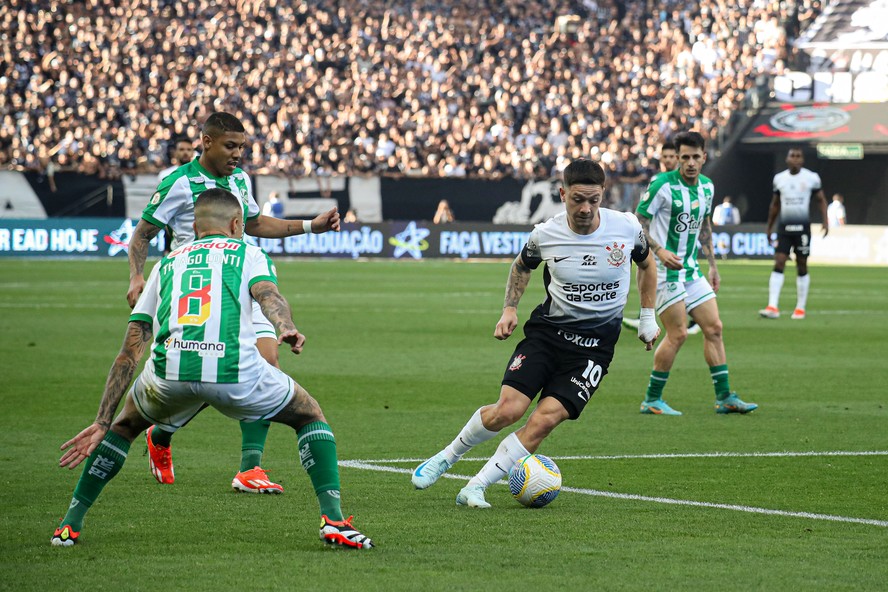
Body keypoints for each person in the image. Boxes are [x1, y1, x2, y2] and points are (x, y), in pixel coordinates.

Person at [51, 189, 372, 549]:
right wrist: (285, 326)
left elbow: (130, 349)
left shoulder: (167, 263)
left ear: (194, 225)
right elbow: (268, 294)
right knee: (309, 415)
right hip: (234, 375)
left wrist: (102, 420)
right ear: (237, 224)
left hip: (168, 377)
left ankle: (68, 526)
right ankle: (334, 521)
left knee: (123, 428)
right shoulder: (249, 253)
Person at [410, 159, 660, 508]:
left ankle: (475, 486)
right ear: (562, 194)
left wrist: (647, 315)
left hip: (593, 350)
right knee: (508, 411)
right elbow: (521, 267)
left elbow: (647, 264)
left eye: (593, 199)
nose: (586, 208)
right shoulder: (546, 233)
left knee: (544, 421)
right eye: (577, 199)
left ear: (604, 194)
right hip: (548, 336)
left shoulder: (626, 228)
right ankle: (446, 456)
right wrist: (509, 308)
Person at [126, 112, 341, 493]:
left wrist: (311, 226)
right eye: (231, 146)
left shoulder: (240, 180)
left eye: (242, 146)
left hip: (240, 281)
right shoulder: (176, 183)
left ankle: (250, 468)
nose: (238, 153)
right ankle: (161, 433)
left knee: (266, 361)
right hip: (197, 294)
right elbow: (143, 234)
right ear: (206, 141)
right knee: (209, 371)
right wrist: (137, 277)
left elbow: (256, 225)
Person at [635, 131, 757, 416]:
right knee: (677, 334)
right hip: (664, 271)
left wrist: (713, 265)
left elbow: (704, 227)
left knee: (714, 328)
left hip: (691, 269)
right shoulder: (662, 185)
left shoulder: (707, 187)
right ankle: (652, 399)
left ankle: (725, 396)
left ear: (704, 156)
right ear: (677, 158)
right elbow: (638, 223)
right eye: (684, 157)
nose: (690, 162)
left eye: (695, 157)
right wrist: (659, 250)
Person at [623, 141, 702, 336]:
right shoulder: (659, 181)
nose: (668, 160)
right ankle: (646, 315)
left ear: (678, 158)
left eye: (671, 156)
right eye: (664, 157)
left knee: (677, 282)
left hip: (679, 244)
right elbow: (644, 215)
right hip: (659, 243)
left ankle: (691, 319)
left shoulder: (695, 183)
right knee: (647, 269)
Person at [759, 148, 829, 320]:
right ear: (787, 159)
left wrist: (825, 221)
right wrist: (769, 227)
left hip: (803, 227)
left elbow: (821, 199)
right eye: (792, 156)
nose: (795, 159)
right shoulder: (779, 179)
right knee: (780, 261)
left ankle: (800, 308)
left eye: (799, 156)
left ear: (802, 160)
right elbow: (775, 204)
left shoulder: (811, 178)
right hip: (784, 227)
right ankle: (772, 306)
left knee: (802, 264)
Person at [157, 136, 195, 255]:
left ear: (193, 152)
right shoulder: (165, 175)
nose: (185, 153)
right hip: (171, 223)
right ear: (175, 152)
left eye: (189, 150)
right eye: (182, 149)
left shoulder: (200, 174)